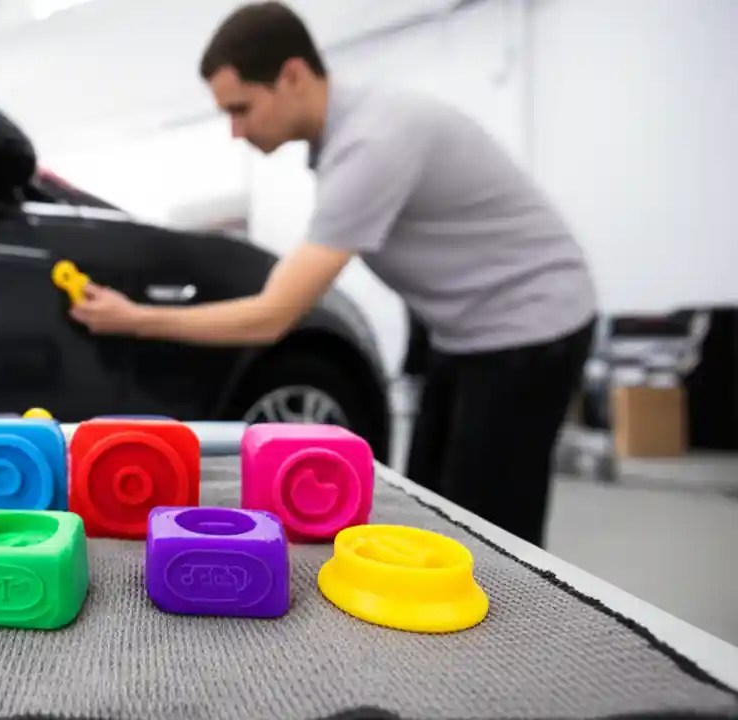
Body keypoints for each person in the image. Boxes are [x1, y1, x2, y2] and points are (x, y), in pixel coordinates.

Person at [69, 1, 598, 547]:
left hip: (532, 322)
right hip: (465, 331)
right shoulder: (349, 134)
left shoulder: (370, 142)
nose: (235, 130)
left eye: (241, 108)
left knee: (489, 529)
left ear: (292, 76)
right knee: (436, 509)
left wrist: (133, 318)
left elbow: (271, 318)